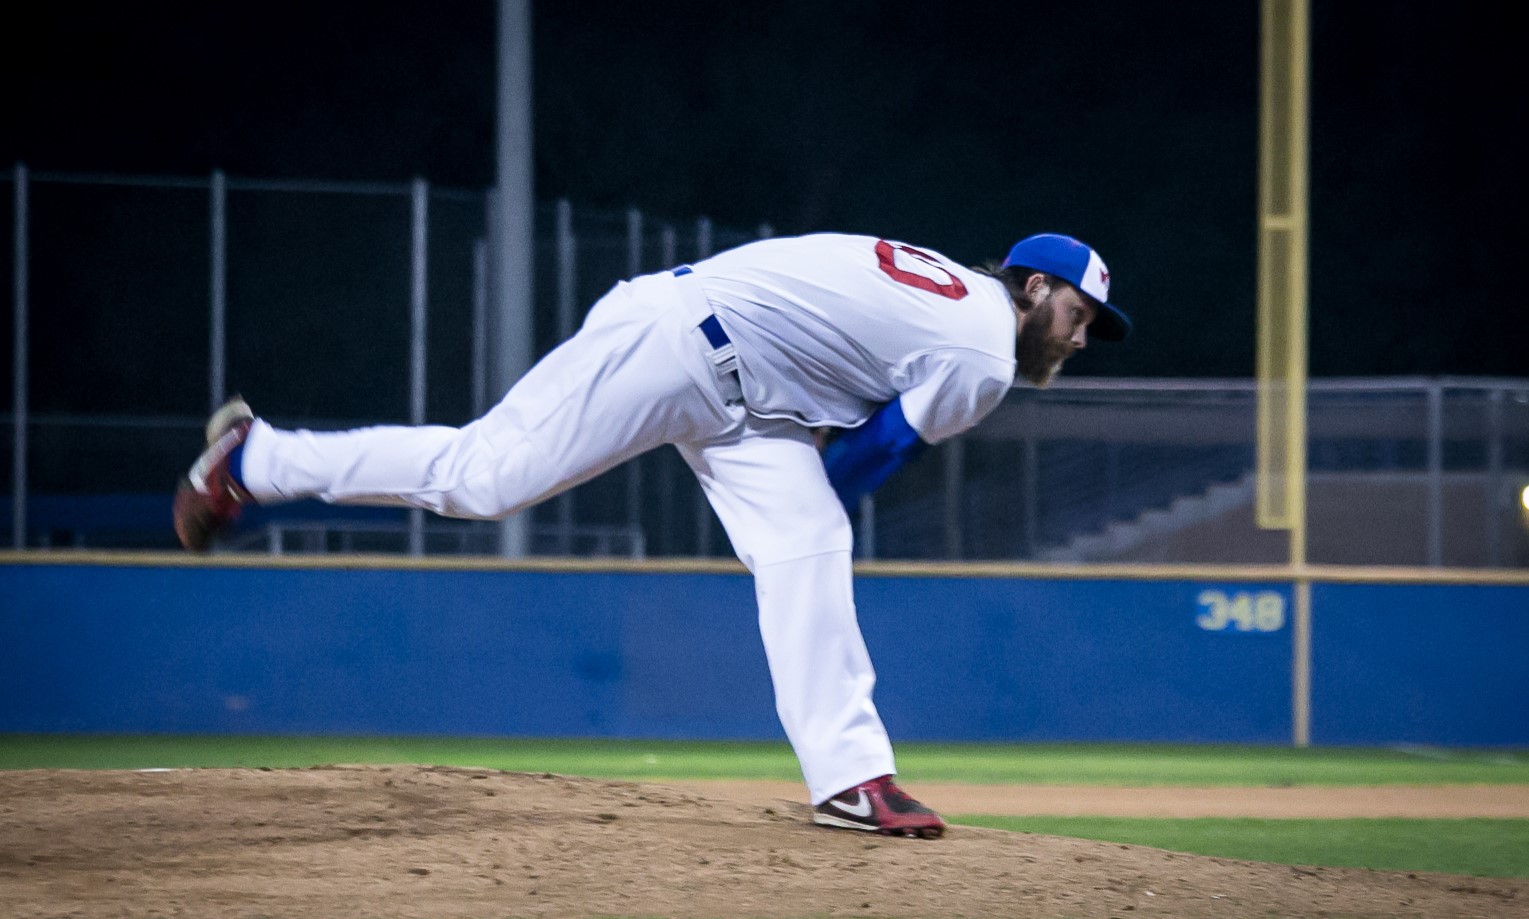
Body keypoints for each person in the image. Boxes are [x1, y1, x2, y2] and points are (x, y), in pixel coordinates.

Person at [174, 231, 1131, 838]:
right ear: (1033, 286)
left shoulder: (956, 300)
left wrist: (796, 511)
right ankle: (256, 460)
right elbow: (876, 452)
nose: (1078, 337)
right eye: (1076, 312)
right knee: (483, 478)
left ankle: (852, 778)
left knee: (810, 544)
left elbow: (848, 415)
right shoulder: (982, 348)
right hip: (679, 345)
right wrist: (807, 496)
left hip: (743, 388)